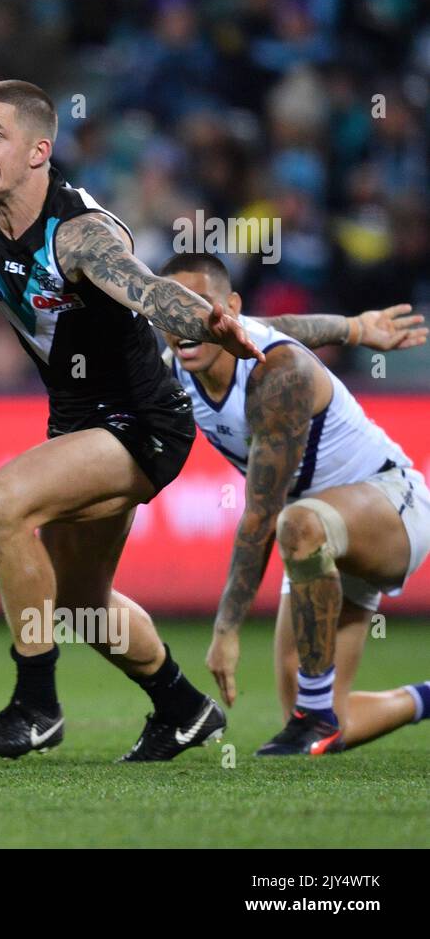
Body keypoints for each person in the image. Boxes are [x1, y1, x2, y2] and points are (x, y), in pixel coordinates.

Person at [0, 79, 263, 762]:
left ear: (40, 151)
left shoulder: (80, 235)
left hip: (142, 419)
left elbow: (152, 294)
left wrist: (212, 323)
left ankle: (36, 704)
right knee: (78, 601)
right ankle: (182, 708)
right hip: (78, 421)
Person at [158, 253, 430, 755]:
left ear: (231, 309)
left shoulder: (279, 375)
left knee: (296, 521)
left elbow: (261, 514)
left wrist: (226, 629)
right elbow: (283, 323)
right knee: (323, 720)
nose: (187, 321)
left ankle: (315, 713)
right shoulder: (175, 368)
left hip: (392, 506)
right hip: (320, 537)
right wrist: (354, 328)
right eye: (173, 309)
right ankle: (401, 703)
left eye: (202, 306)